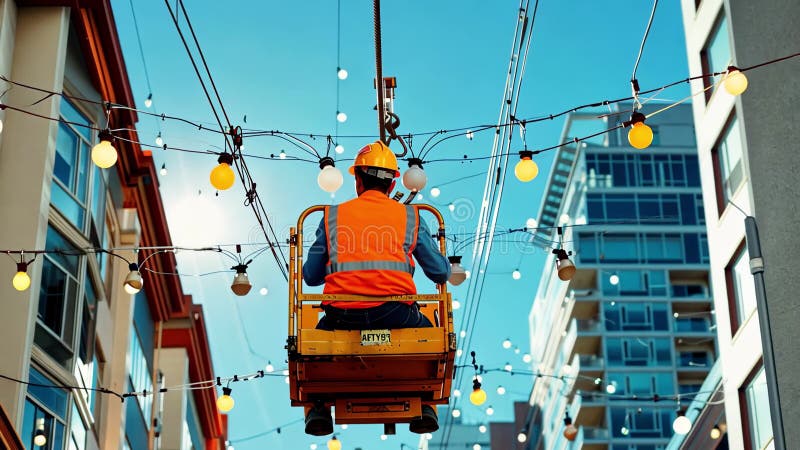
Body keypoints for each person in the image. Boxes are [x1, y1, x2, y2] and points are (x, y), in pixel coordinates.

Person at [302, 140, 450, 436]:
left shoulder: (331, 216)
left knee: (310, 351)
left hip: (341, 316)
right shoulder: (411, 217)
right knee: (430, 333)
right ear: (394, 180)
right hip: (397, 314)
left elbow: (310, 276)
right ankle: (426, 403)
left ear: (357, 179)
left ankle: (317, 406)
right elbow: (440, 272)